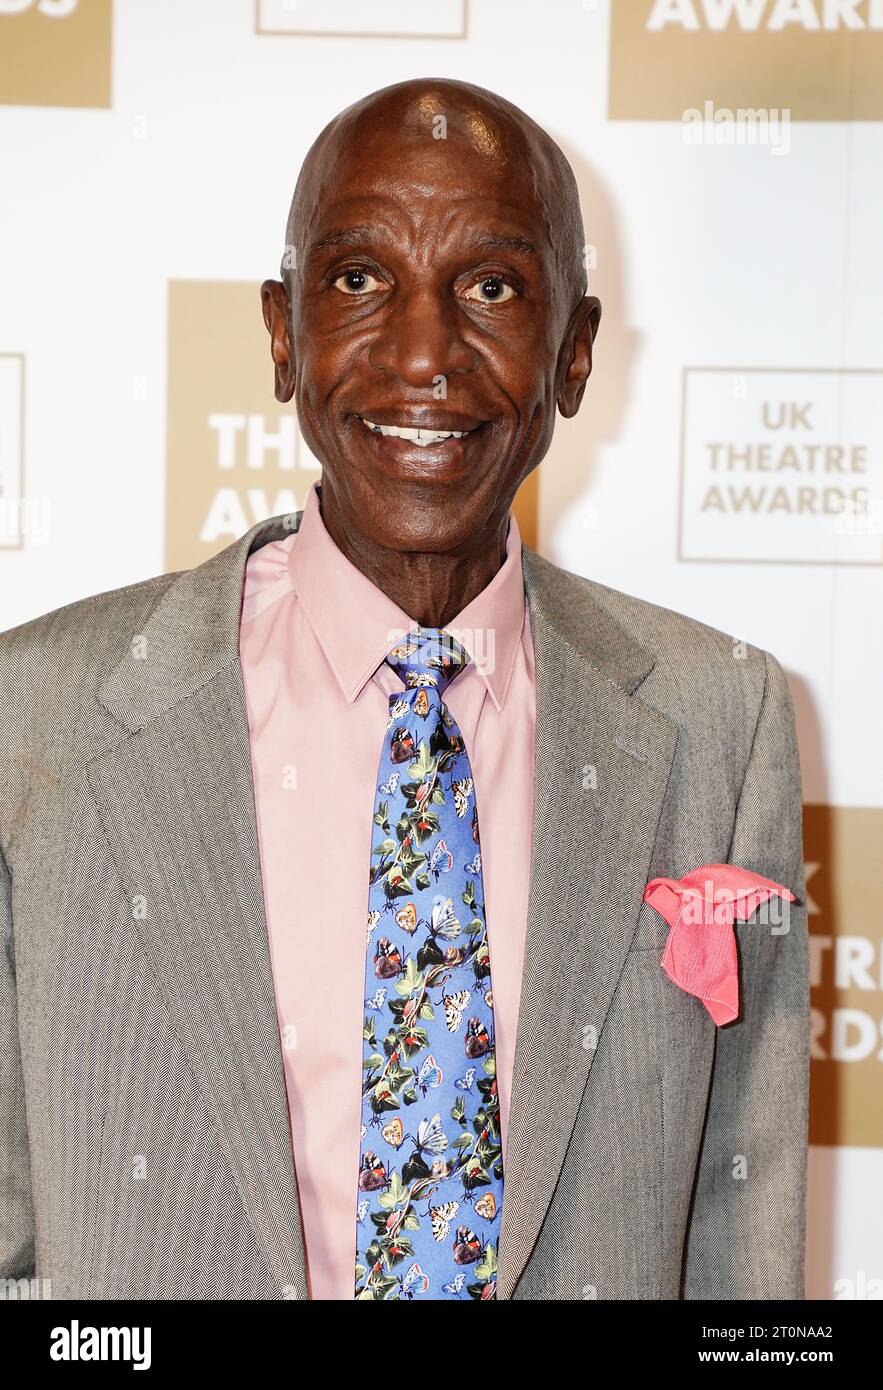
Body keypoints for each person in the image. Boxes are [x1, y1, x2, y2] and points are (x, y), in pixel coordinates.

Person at [0, 79, 809, 1301]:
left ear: (574, 350)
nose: (424, 354)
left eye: (490, 287)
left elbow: (741, 1250)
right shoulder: (39, 717)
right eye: (359, 281)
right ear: (282, 334)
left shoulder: (718, 721)